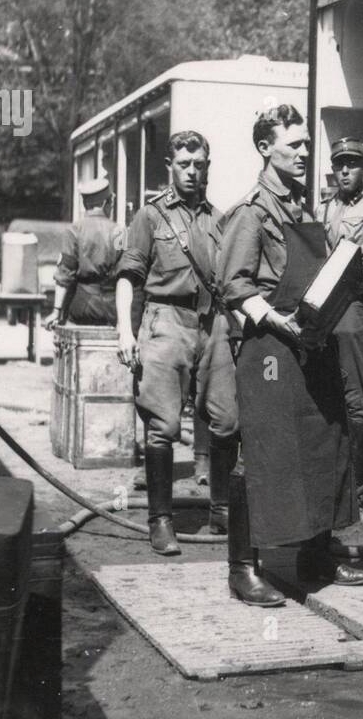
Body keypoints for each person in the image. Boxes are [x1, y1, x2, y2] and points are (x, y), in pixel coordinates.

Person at [219, 104, 363, 606]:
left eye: (307, 144)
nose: (307, 152)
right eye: (295, 144)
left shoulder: (305, 208)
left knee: (325, 442)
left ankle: (315, 556)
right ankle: (243, 568)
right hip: (271, 347)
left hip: (313, 340)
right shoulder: (252, 211)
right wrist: (278, 321)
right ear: (266, 148)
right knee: (262, 452)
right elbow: (233, 287)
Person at [114, 131, 236, 555]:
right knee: (163, 426)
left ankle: (220, 510)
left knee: (226, 419)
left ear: (207, 166)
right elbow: (128, 278)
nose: (192, 171)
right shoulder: (150, 218)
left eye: (199, 164)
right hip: (165, 319)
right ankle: (160, 520)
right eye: (184, 164)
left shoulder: (220, 219)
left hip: (213, 322)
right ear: (171, 165)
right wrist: (125, 331)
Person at [319, 137, 363, 484]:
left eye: (352, 163)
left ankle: (356, 483)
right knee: (327, 391)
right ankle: (334, 476)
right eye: (339, 164)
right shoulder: (325, 208)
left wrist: (357, 285)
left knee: (355, 395)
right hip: (325, 309)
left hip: (357, 310)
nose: (344, 170)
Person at [46, 177, 125, 329]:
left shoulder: (74, 231)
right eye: (110, 202)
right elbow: (125, 272)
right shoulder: (120, 232)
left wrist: (56, 311)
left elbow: (64, 274)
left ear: (84, 204)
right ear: (104, 203)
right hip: (112, 309)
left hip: (81, 306)